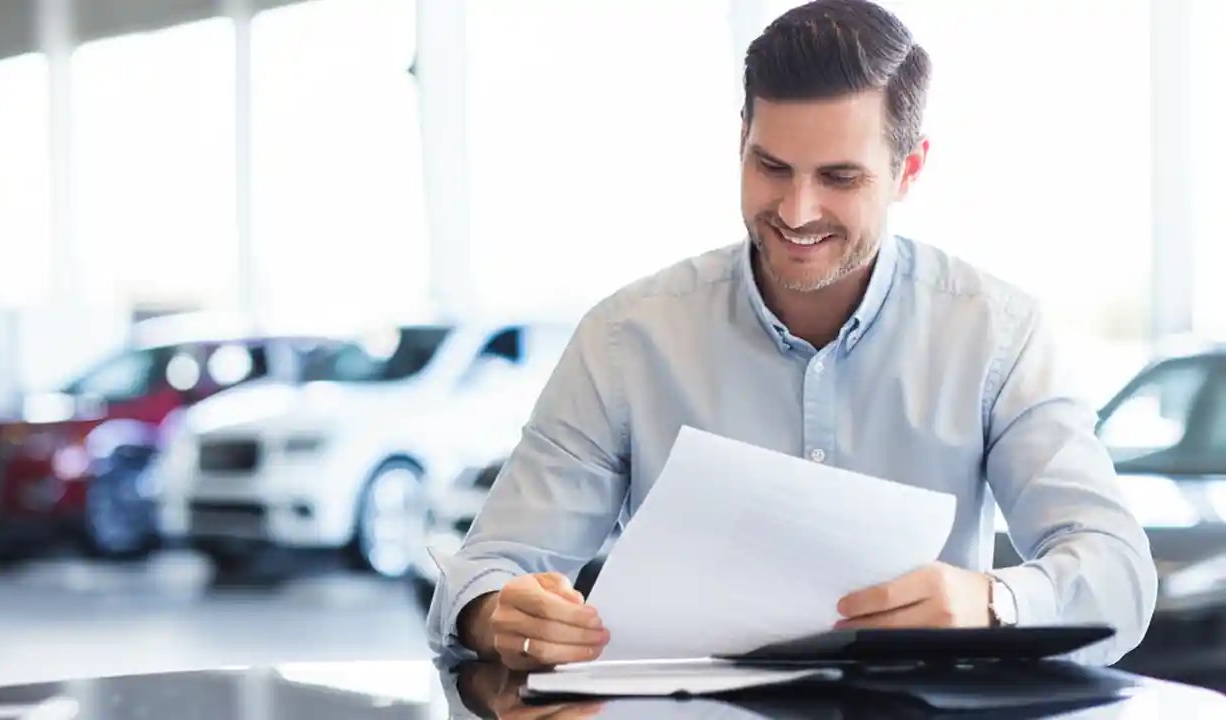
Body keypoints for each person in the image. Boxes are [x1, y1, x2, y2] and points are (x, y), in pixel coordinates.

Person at [426, 0, 1156, 670]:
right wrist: (500, 616)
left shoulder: (997, 335)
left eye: (840, 177)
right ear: (741, 139)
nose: (797, 210)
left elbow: (1119, 576)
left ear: (909, 170)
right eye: (771, 166)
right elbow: (485, 571)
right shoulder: (626, 339)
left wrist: (990, 603)